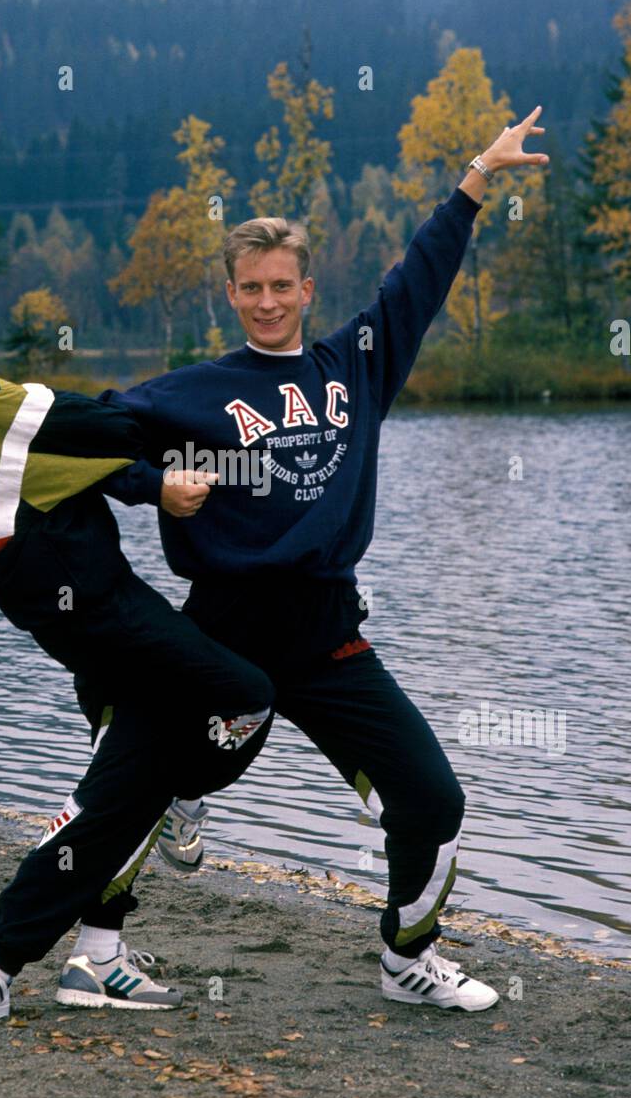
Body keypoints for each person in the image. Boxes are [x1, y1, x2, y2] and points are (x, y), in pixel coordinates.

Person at [78, 108, 550, 1012]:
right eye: (249, 286)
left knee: (430, 801)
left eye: (280, 285)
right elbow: (90, 434)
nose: (265, 300)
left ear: (306, 287)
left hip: (329, 635)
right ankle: (98, 951)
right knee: (135, 781)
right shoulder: (193, 392)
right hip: (222, 634)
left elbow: (419, 280)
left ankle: (407, 959)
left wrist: (476, 177)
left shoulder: (355, 365)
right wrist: (154, 488)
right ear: (230, 292)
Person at [0, 91, 275, 1025]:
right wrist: (175, 456)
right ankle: (155, 830)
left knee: (115, 790)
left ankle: (84, 959)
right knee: (239, 701)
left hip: (71, 619)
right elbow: (107, 423)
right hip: (100, 614)